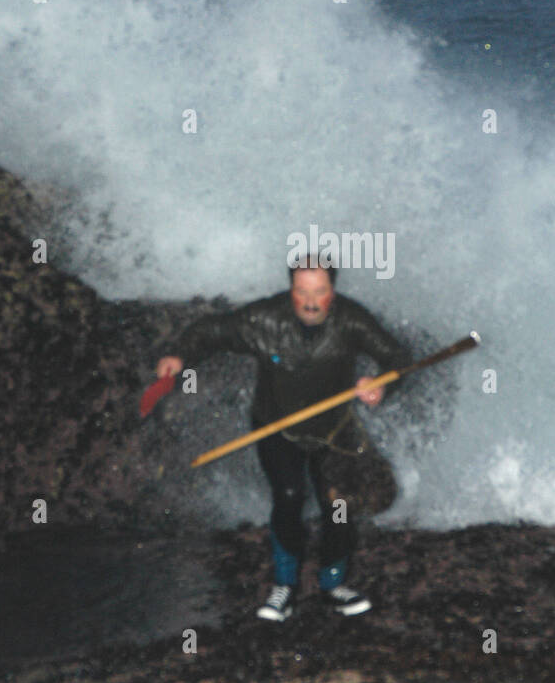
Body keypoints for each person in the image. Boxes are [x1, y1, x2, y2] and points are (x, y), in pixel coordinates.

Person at [155, 256, 410, 621]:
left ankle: (333, 584)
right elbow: (212, 331)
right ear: (291, 290)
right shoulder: (264, 319)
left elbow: (396, 355)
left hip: (333, 429)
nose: (309, 302)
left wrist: (384, 383)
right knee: (289, 495)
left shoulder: (352, 319)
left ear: (332, 292)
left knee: (337, 504)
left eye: (319, 292)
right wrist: (179, 354)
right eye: (301, 292)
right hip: (277, 426)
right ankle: (284, 587)